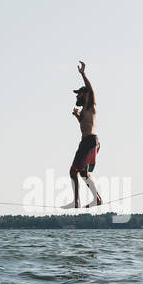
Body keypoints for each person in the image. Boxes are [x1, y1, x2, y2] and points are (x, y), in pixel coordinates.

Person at [64, 61, 103, 208]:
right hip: (87, 142)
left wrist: (83, 74)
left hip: (90, 141)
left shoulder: (91, 103)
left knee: (74, 171)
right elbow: (85, 124)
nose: (76, 97)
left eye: (78, 94)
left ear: (84, 94)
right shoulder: (85, 112)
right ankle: (96, 199)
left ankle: (76, 202)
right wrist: (77, 116)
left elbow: (91, 90)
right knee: (81, 173)